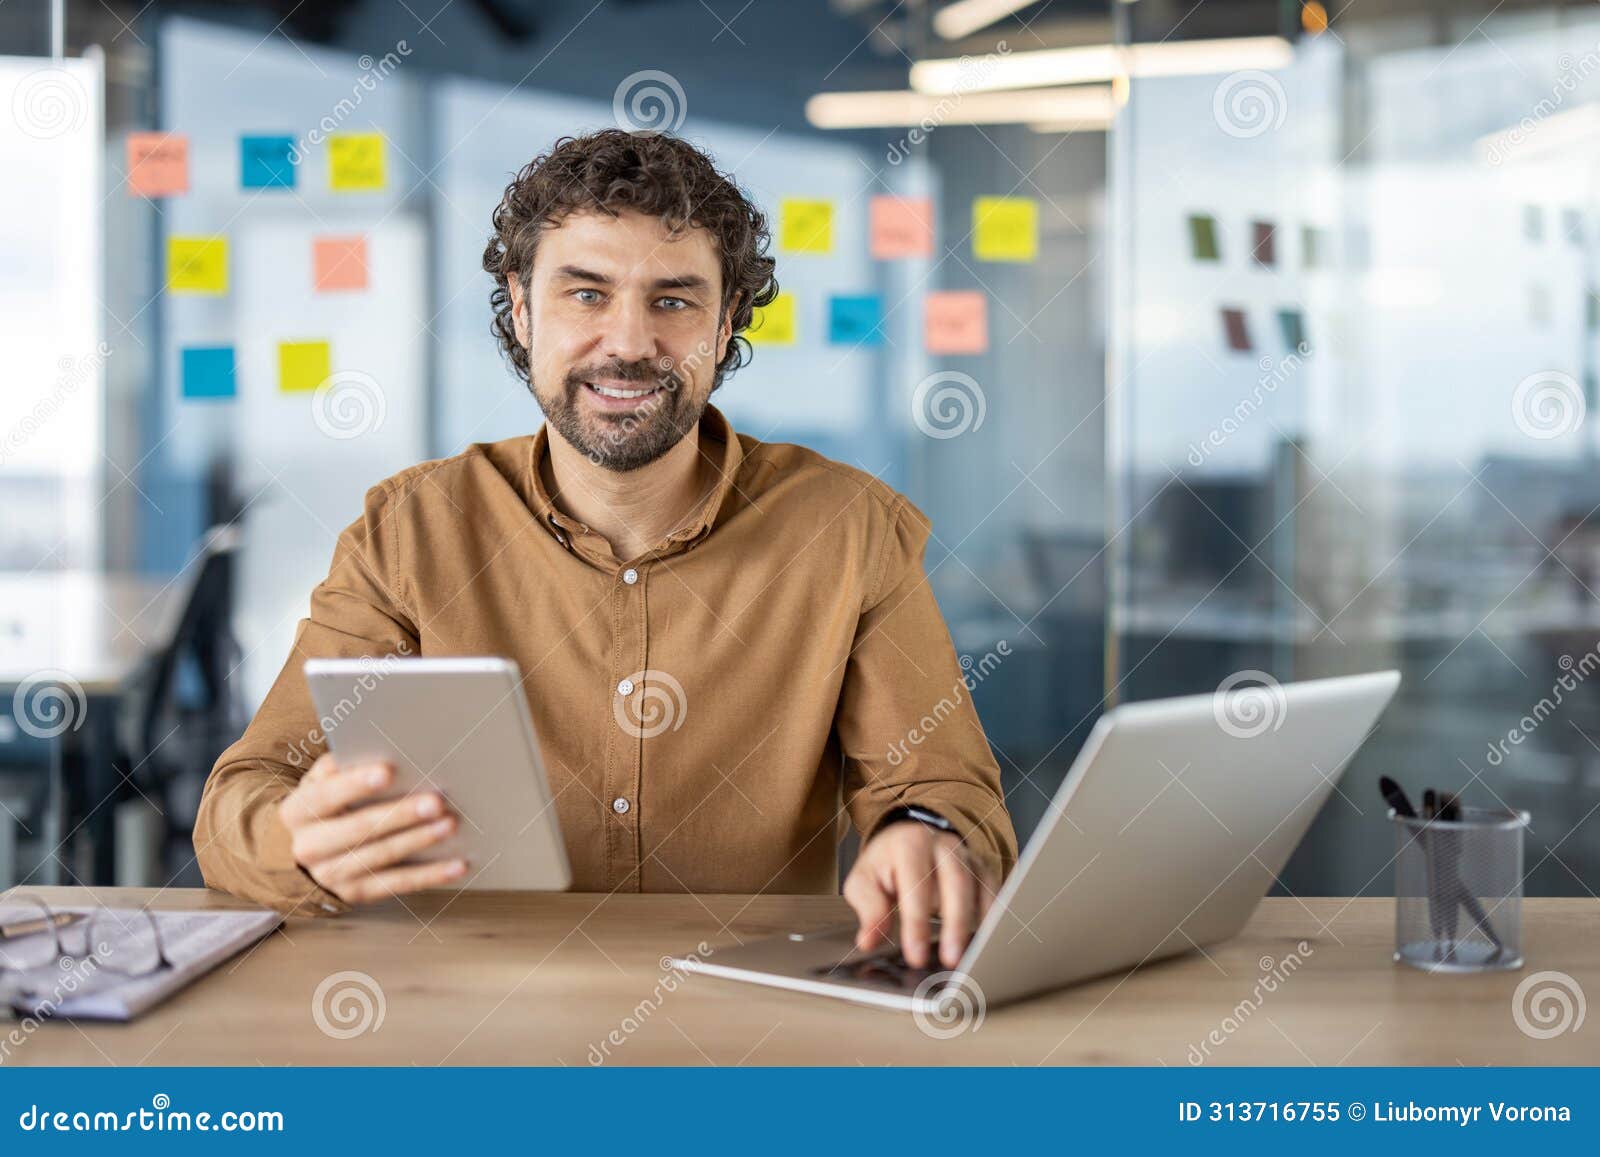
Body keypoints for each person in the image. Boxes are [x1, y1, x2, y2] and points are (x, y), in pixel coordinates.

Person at [195, 129, 1017, 971]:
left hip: (755, 1027)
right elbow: (244, 794)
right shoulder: (411, 531)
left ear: (727, 318)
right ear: (521, 307)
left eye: (673, 300)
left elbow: (944, 790)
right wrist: (296, 841)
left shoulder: (848, 528)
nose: (628, 343)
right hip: (467, 1016)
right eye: (586, 294)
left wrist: (928, 835)